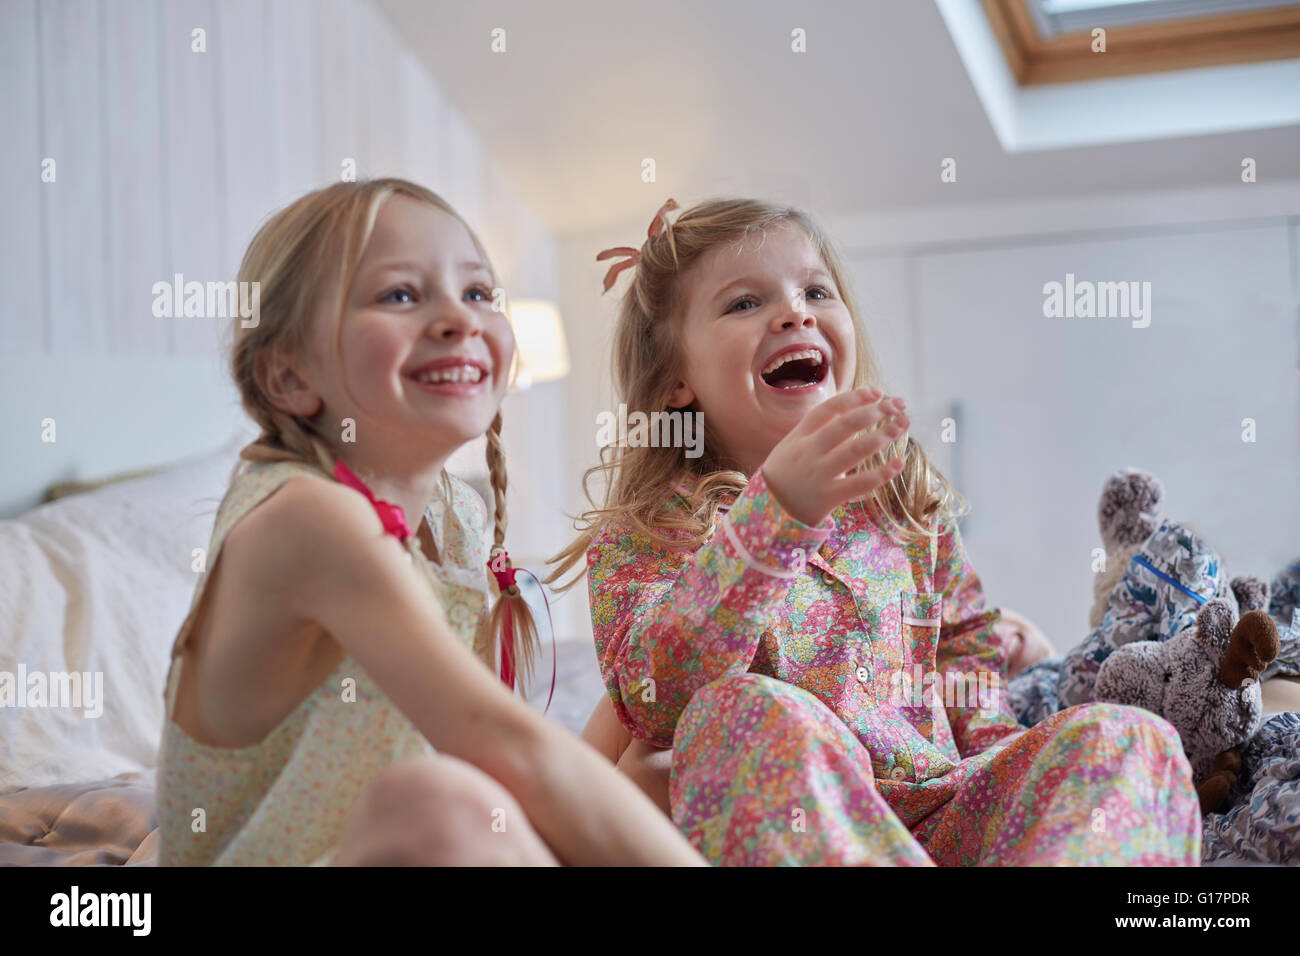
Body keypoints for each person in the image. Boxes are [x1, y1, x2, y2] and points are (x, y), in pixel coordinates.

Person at [549, 196, 1202, 865]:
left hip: (941, 805)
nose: (794, 311)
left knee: (1127, 737)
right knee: (734, 713)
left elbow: (965, 647)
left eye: (815, 290)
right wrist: (777, 516)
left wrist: (995, 754)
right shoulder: (650, 533)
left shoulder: (904, 504)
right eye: (743, 303)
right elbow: (656, 700)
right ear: (675, 382)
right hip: (802, 817)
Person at [155, 178, 704, 866]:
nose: (458, 319)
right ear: (289, 377)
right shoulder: (308, 518)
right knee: (437, 803)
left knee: (662, 777)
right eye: (400, 296)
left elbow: (485, 742)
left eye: (477, 293)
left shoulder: (455, 513)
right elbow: (507, 747)